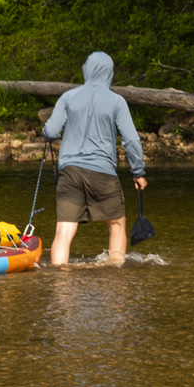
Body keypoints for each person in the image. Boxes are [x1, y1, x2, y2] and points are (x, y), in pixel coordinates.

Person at [42, 51, 147, 266]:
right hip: (103, 173)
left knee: (63, 230)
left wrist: (46, 131)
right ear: (109, 73)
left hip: (69, 173)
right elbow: (132, 141)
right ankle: (114, 283)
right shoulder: (117, 101)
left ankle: (60, 287)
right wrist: (138, 172)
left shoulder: (68, 97)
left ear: (86, 70)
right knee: (116, 225)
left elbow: (51, 132)